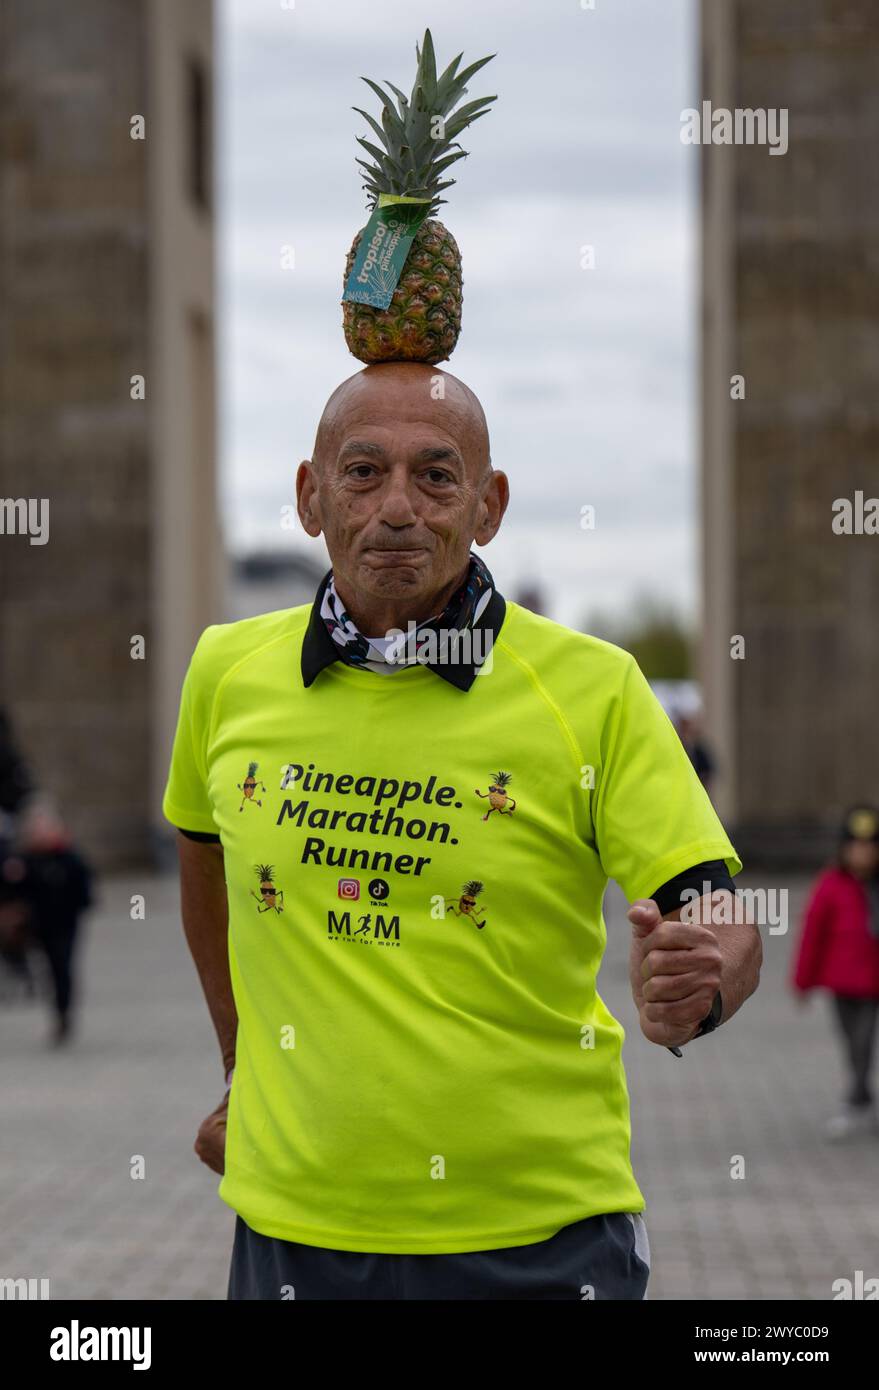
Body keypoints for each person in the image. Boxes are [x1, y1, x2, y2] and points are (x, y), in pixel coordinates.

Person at [163, 362, 762, 1300]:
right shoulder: (225, 671)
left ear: (488, 506)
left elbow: (718, 909)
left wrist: (705, 976)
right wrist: (245, 1071)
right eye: (362, 473)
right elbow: (202, 863)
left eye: (436, 476)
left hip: (539, 1238)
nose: (396, 508)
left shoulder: (594, 687)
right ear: (308, 497)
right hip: (292, 1233)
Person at [791, 805, 879, 1139]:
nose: (863, 854)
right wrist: (802, 983)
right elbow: (812, 936)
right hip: (841, 984)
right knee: (852, 1042)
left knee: (864, 1043)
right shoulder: (831, 885)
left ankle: (857, 1101)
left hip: (872, 986)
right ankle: (863, 1100)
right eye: (856, 846)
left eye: (870, 847)